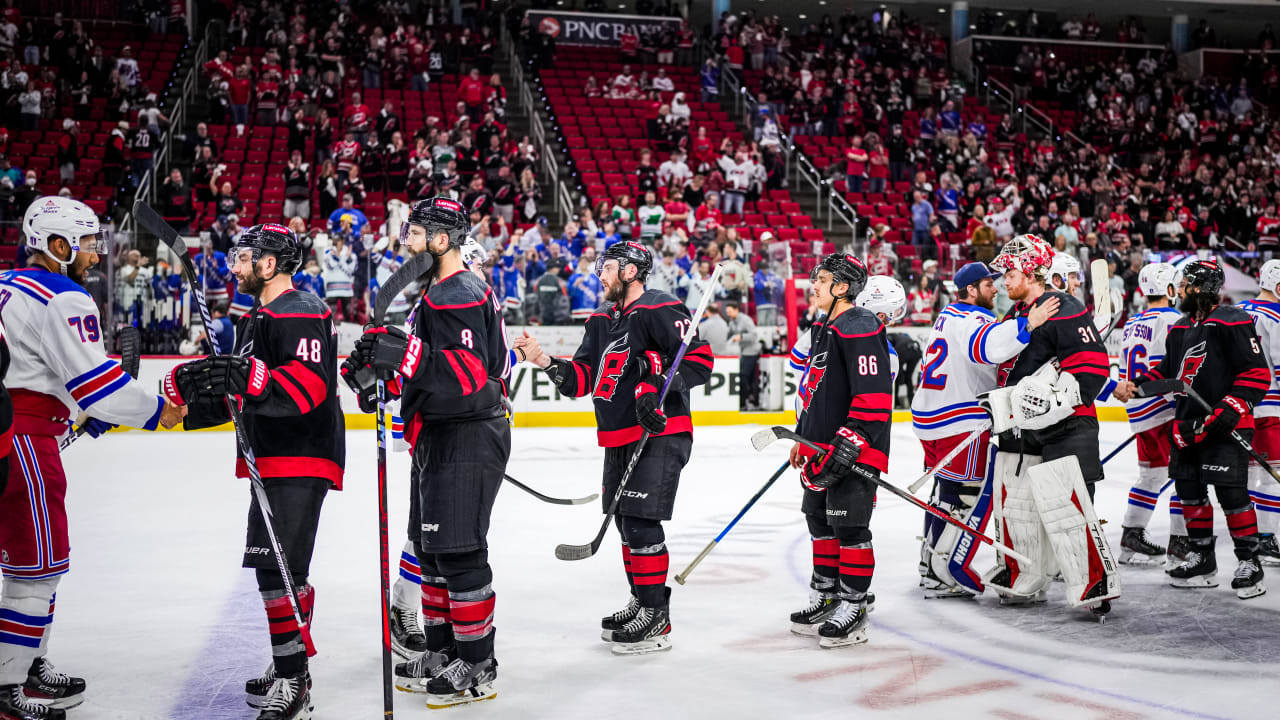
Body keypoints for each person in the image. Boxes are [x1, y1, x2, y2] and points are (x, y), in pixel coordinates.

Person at [0, 198, 184, 720]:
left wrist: (78, 410)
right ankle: (7, 688)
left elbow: (32, 368)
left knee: (26, 563)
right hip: (25, 442)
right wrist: (159, 412)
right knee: (37, 568)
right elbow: (97, 384)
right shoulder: (62, 294)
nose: (94, 254)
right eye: (84, 244)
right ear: (57, 246)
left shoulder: (6, 283)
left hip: (11, 429)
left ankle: (27, 661)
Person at [162, 223, 343, 720]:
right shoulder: (257, 318)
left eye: (243, 259)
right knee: (279, 569)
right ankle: (290, 665)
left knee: (279, 570)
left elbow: (307, 387)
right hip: (274, 455)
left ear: (269, 264)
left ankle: (293, 679)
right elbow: (243, 395)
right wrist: (188, 409)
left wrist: (249, 377)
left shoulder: (299, 309)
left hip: (299, 454)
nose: (234, 267)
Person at [345, 197, 510, 707]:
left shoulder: (458, 291)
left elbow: (466, 374)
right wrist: (381, 375)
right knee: (433, 551)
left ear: (441, 240)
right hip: (439, 431)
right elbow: (428, 368)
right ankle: (443, 651)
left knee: (459, 551)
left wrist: (406, 354)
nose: (406, 242)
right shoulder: (438, 292)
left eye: (414, 233)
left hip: (466, 431)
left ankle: (477, 662)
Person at [513, 242, 714, 655]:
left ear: (629, 271)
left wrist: (657, 384)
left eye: (606, 268)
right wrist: (544, 360)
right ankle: (641, 601)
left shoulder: (661, 307)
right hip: (618, 435)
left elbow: (699, 360)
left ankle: (656, 615)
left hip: (660, 431)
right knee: (625, 523)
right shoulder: (601, 319)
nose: (600, 275)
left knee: (640, 522)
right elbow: (581, 379)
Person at [1116, 260, 1271, 599]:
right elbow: (1167, 372)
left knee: (1232, 495)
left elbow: (1258, 373)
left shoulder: (1233, 320)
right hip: (1187, 426)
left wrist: (1231, 407)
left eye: (1185, 284)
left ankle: (1250, 562)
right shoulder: (1181, 327)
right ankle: (1202, 559)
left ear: (1200, 288)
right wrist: (1137, 386)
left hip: (1226, 424)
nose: (1181, 290)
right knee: (1189, 492)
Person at [985, 235, 1117, 616]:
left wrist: (1052, 402)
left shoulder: (1065, 307)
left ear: (1031, 273)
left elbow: (1093, 368)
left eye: (1010, 274)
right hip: (1020, 429)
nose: (1004, 282)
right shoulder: (1015, 316)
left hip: (1067, 426)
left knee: (1068, 509)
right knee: (1016, 507)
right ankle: (1022, 573)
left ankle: (1094, 580)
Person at [910, 262, 1059, 598]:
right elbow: (988, 348)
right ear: (971, 290)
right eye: (988, 284)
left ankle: (929, 565)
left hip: (929, 417)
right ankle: (946, 570)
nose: (995, 288)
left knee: (943, 494)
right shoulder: (973, 318)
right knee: (966, 495)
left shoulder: (947, 315)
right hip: (959, 420)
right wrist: (1028, 323)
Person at [786, 254, 891, 647]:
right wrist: (803, 436)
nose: (813, 285)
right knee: (818, 520)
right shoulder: (823, 327)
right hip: (820, 448)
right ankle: (827, 596)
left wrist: (849, 443)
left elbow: (874, 395)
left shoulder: (860, 323)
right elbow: (815, 389)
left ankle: (854, 605)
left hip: (854, 448)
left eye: (823, 278)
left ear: (843, 287)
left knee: (849, 527)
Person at [1106, 263, 1188, 567]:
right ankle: (1180, 542)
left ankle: (1132, 535)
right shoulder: (1173, 319)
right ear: (1169, 289)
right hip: (1165, 409)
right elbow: (1172, 367)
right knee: (1186, 474)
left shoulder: (1132, 322)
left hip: (1139, 409)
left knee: (1152, 475)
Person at [1239, 260, 1280, 566]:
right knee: (1272, 476)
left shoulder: (1236, 311)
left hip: (1238, 407)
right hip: (1269, 406)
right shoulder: (1276, 317)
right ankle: (1265, 538)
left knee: (1250, 474)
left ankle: (1248, 535)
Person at [724, 301, 759, 410]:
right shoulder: (732, 322)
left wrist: (742, 337)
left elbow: (754, 335)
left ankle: (744, 401)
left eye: (730, 311)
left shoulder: (745, 320)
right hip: (742, 351)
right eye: (727, 312)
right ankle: (749, 400)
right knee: (748, 377)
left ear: (736, 310)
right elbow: (728, 334)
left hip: (751, 351)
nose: (728, 314)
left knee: (744, 375)